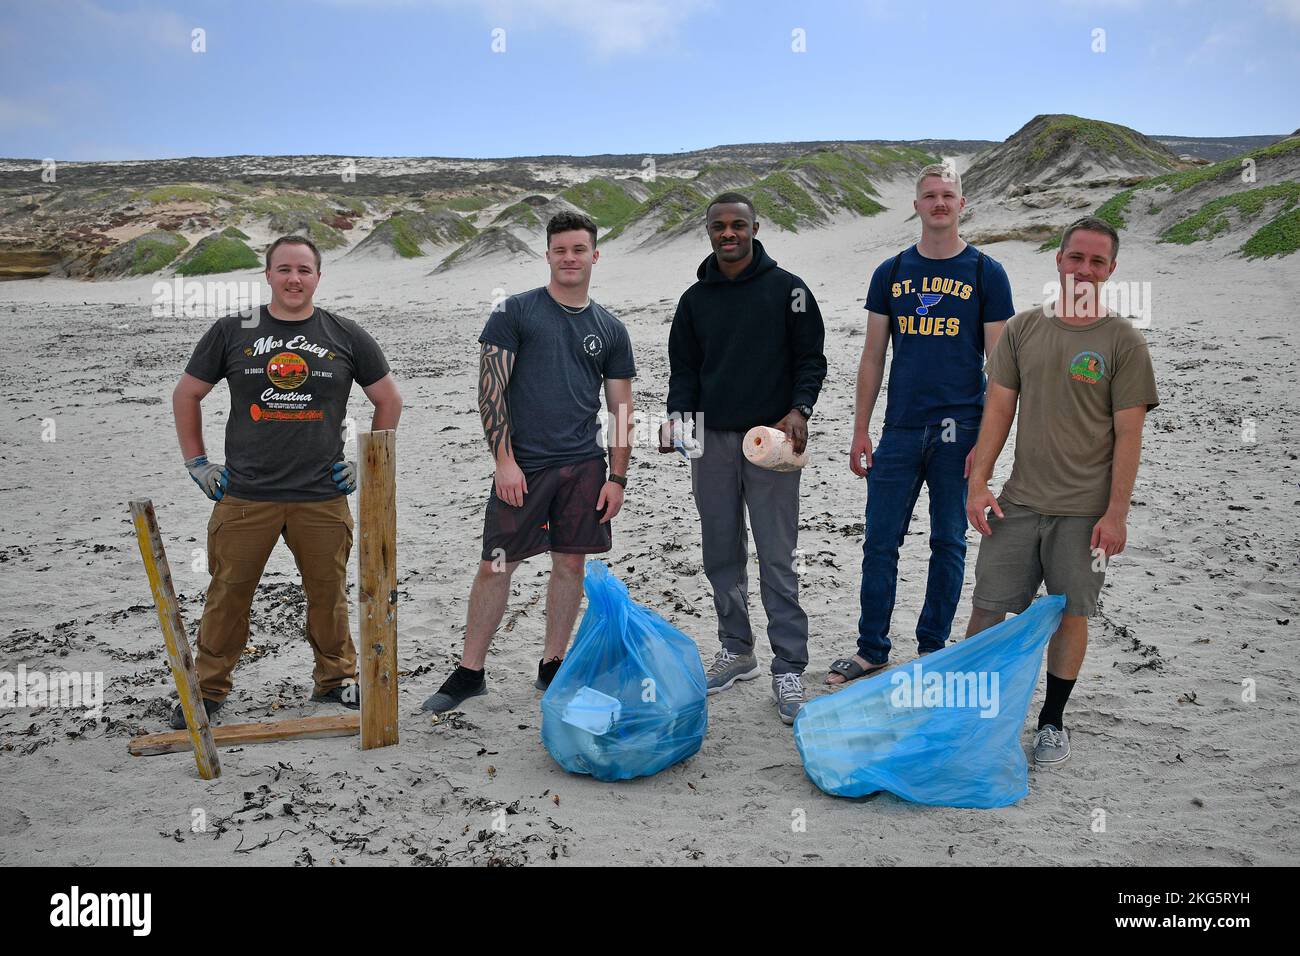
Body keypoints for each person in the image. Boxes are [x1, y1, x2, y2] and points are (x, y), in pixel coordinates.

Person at [170, 234, 402, 729]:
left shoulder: (345, 334)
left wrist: (369, 463)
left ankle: (336, 679)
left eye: (304, 269)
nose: (294, 278)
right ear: (268, 274)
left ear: (318, 276)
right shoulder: (233, 331)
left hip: (321, 496)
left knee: (329, 595)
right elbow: (187, 394)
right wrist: (198, 463)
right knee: (228, 594)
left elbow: (388, 399)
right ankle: (209, 689)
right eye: (284, 269)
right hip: (244, 496)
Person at [420, 212, 635, 714]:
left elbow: (622, 409)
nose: (569, 258)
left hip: (584, 465)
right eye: (560, 249)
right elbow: (490, 389)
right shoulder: (515, 312)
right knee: (496, 566)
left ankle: (552, 665)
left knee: (570, 563)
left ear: (594, 255)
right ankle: (471, 671)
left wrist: (618, 476)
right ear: (548, 255)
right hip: (524, 464)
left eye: (579, 249)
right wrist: (503, 461)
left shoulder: (610, 329)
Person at [965, 215, 1159, 766]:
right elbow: (998, 412)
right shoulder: (1024, 329)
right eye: (1077, 257)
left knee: (1072, 614)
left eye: (1098, 261)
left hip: (1084, 513)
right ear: (1059, 259)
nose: (1085, 269)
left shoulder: (1122, 340)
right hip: (1019, 502)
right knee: (986, 609)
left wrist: (1116, 513)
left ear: (1112, 270)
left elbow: (1129, 433)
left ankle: (1051, 722)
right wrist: (979, 484)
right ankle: (977, 714)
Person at [828, 163, 1015, 686]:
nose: (939, 203)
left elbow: (1001, 368)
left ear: (962, 205)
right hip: (901, 429)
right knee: (880, 542)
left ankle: (933, 647)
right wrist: (861, 429)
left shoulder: (986, 272)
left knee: (948, 543)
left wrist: (991, 449)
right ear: (916, 206)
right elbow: (872, 358)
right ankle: (871, 648)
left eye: (947, 196)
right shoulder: (891, 272)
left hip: (962, 430)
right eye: (929, 195)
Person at [664, 192, 827, 724]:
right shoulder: (694, 300)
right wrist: (677, 415)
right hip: (711, 440)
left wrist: (801, 408)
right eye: (718, 226)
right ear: (707, 231)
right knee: (721, 553)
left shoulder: (790, 291)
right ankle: (738, 649)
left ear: (756, 227)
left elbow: (811, 359)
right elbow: (684, 370)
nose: (728, 233)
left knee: (778, 556)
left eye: (738, 225)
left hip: (772, 441)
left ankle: (789, 665)